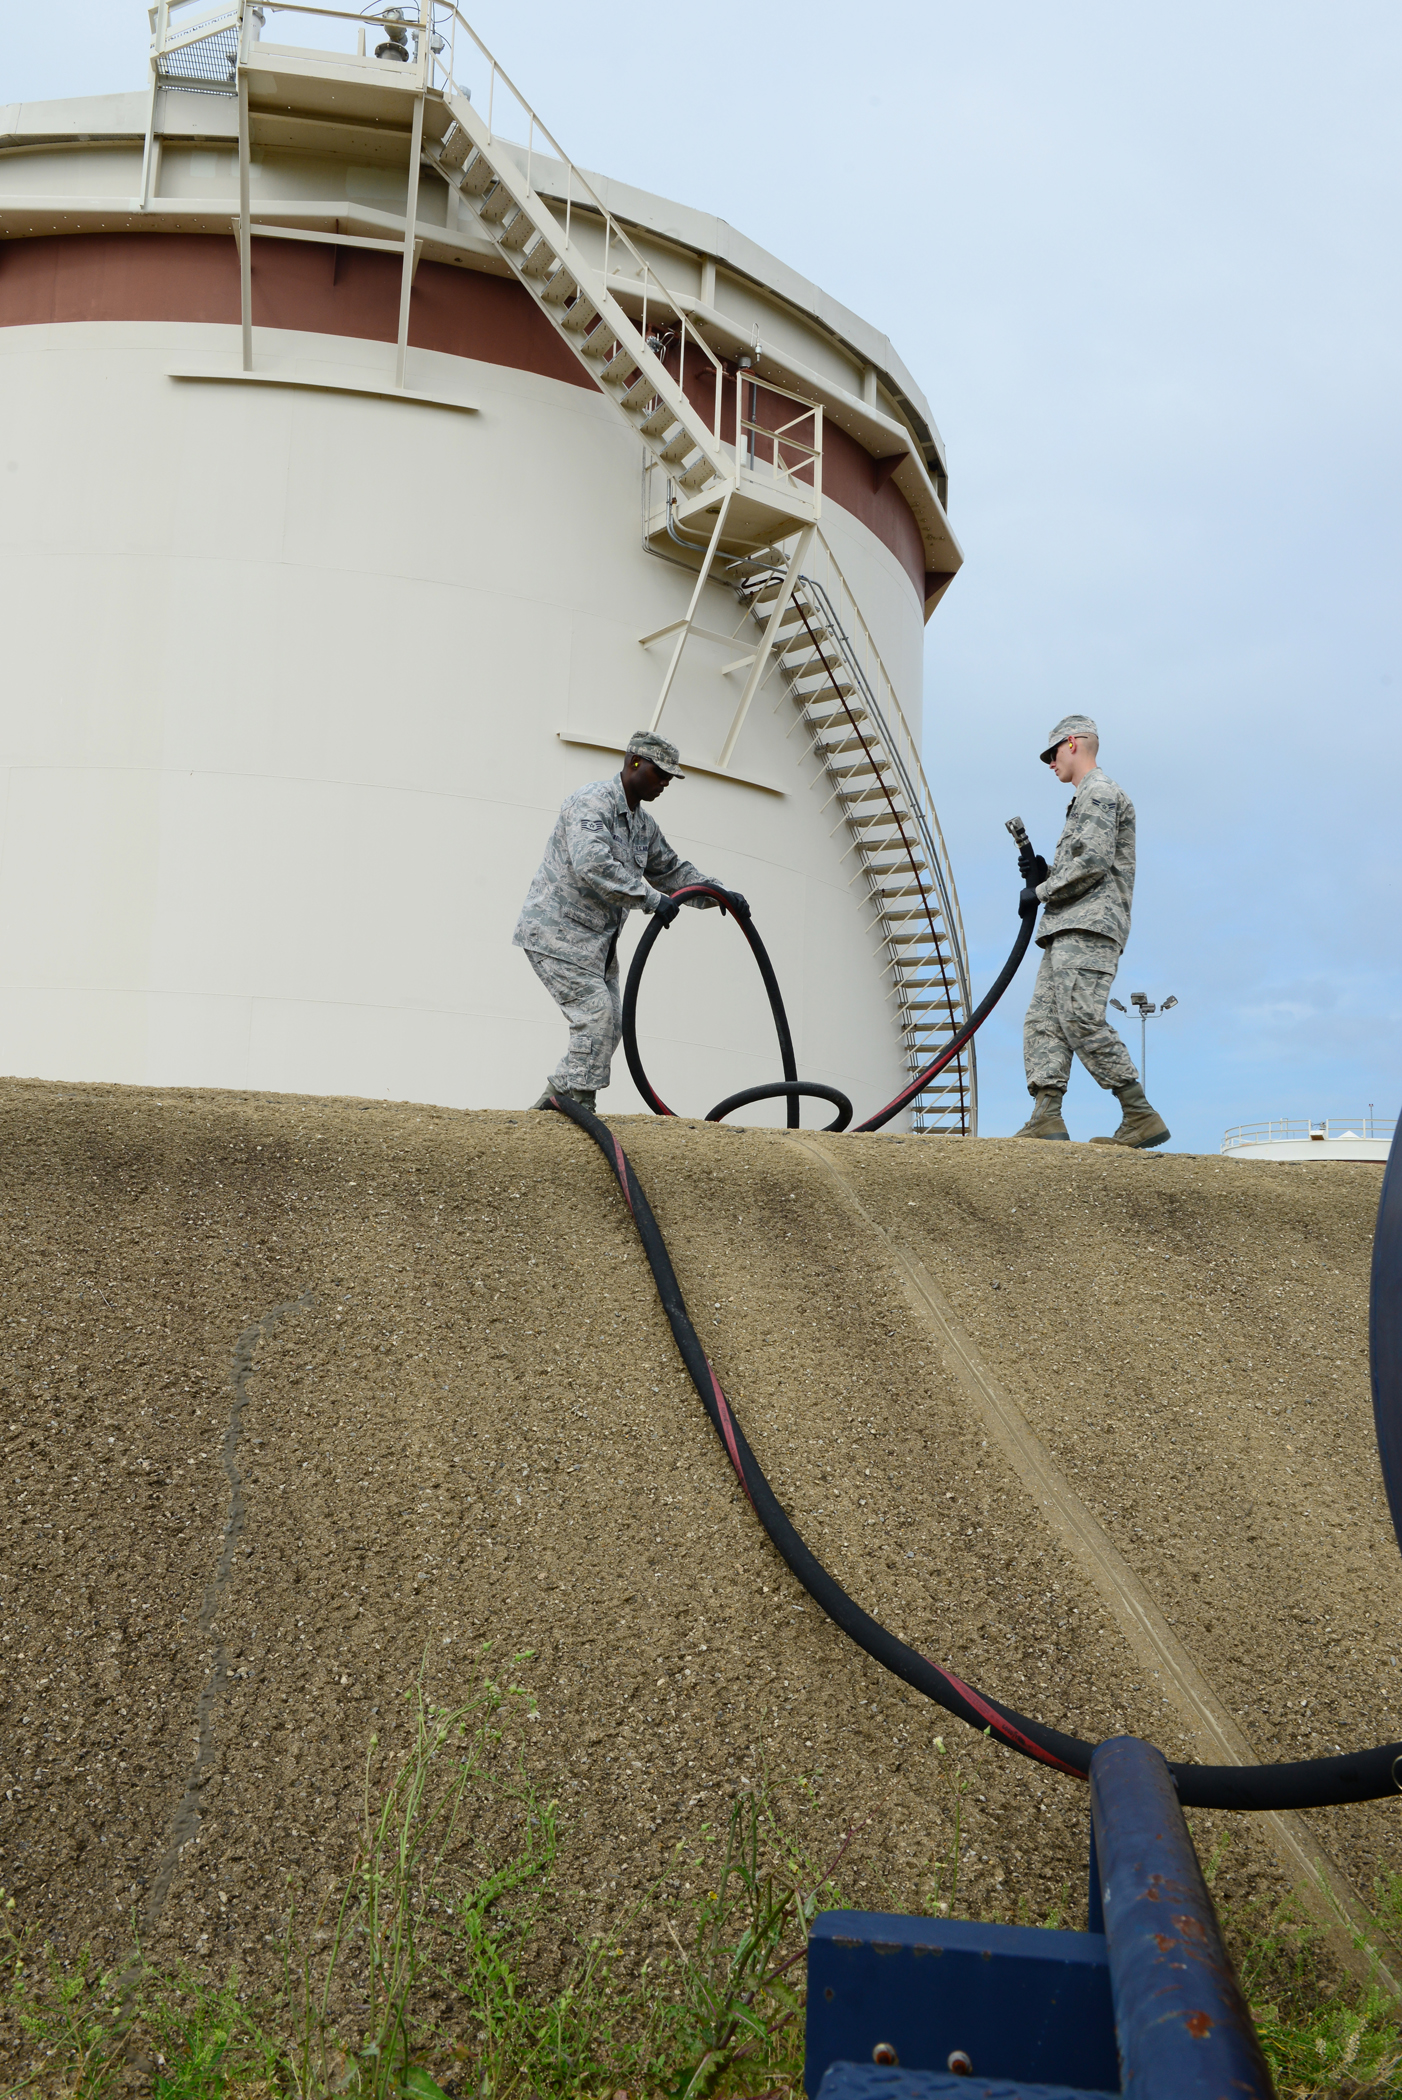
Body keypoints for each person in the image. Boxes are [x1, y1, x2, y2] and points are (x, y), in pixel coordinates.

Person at [514, 730, 749, 1112]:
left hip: (597, 946)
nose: (665, 782)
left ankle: (556, 1098)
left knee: (611, 1025)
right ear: (633, 762)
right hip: (556, 934)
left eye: (670, 777)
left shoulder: (643, 825)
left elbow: (672, 871)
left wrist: (719, 893)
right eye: (660, 773)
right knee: (596, 1015)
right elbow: (592, 863)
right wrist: (651, 901)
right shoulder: (592, 802)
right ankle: (579, 1106)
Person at [1012, 714, 1169, 1148]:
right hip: (1068, 924)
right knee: (1043, 1019)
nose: (1050, 763)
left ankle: (1138, 1112)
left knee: (1080, 1015)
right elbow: (1083, 861)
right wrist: (1046, 873)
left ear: (1075, 743)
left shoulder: (1099, 794)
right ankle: (1046, 1115)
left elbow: (1093, 862)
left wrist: (1041, 890)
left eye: (1054, 752)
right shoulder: (1085, 798)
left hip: (1090, 925)